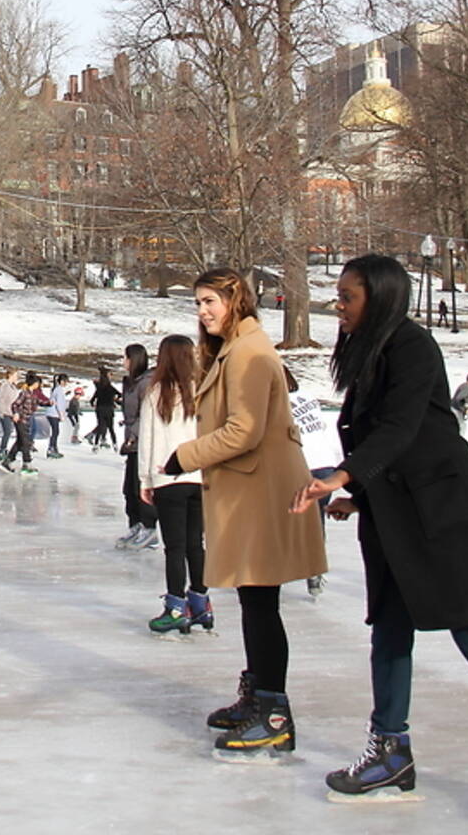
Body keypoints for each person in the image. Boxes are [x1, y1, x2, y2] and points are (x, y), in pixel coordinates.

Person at [292, 255, 468, 819]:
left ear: (379, 296)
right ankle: (390, 751)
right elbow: (383, 433)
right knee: (391, 631)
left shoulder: (411, 345)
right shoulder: (373, 351)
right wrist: (360, 496)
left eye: (348, 296)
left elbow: (403, 427)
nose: (338, 305)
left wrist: (343, 474)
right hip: (397, 514)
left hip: (442, 512)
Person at [166, 267, 324, 757]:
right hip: (249, 491)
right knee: (256, 602)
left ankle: (273, 712)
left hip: (262, 494)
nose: (203, 311)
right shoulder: (236, 349)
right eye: (198, 303)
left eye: (210, 300)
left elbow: (245, 431)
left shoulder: (250, 353)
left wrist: (185, 456)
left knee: (261, 604)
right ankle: (258, 697)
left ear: (237, 300)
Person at [142, 335, 209, 633]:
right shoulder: (202, 391)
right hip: (198, 476)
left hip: (167, 477)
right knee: (196, 544)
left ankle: (175, 606)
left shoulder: (157, 392)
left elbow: (148, 439)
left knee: (175, 547)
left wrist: (145, 478)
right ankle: (201, 603)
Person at [116, 343, 160, 551]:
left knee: (140, 486)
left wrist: (133, 434)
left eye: (125, 358)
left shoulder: (147, 383)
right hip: (132, 443)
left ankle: (149, 528)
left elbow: (147, 414)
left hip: (143, 442)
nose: (123, 362)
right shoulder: (131, 382)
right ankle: (135, 525)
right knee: (129, 489)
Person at [0, 372, 40, 476]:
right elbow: (15, 405)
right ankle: (26, 464)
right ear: (34, 383)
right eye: (37, 383)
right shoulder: (24, 393)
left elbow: (35, 405)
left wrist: (48, 403)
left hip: (26, 420)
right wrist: (16, 413)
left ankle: (7, 461)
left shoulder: (32, 394)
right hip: (21, 420)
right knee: (26, 442)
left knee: (20, 442)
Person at [0, 369, 21, 459]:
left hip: (11, 413)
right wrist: (1, 412)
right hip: (5, 412)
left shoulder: (13, 387)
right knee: (7, 432)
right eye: (15, 375)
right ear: (10, 375)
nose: (17, 377)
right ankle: (2, 450)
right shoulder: (5, 386)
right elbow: (1, 400)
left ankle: (4, 450)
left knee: (10, 432)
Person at [90, 367, 119, 449]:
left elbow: (92, 400)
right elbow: (119, 394)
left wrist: (94, 404)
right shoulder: (111, 388)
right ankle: (115, 444)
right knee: (111, 428)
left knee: (100, 426)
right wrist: (114, 400)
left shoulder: (98, 388)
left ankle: (96, 445)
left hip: (100, 409)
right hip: (109, 409)